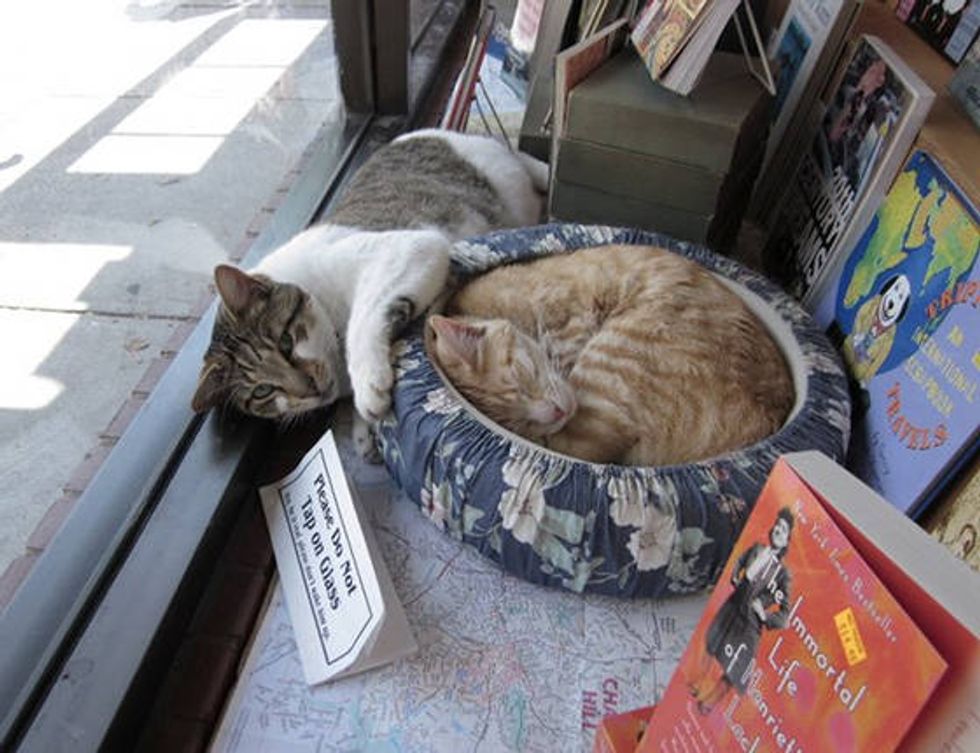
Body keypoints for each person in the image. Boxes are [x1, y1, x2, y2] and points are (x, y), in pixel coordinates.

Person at [688, 507, 795, 714]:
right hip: (733, 604)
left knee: (734, 669)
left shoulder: (783, 574)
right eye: (777, 525)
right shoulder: (757, 549)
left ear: (787, 541)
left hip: (750, 623)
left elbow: (785, 616)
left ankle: (707, 705)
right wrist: (736, 576)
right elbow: (739, 562)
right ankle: (695, 684)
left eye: (783, 529)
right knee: (713, 641)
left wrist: (764, 615)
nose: (777, 530)